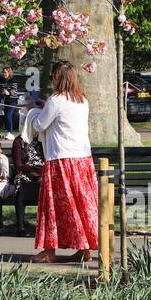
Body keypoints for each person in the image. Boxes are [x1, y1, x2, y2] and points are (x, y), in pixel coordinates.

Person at [24, 61, 96, 264]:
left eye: (53, 76)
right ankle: (84, 248)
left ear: (58, 77)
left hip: (61, 160)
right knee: (81, 205)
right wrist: (44, 107)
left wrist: (32, 112)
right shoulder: (82, 100)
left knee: (53, 206)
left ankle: (49, 251)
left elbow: (39, 124)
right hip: (82, 159)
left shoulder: (55, 100)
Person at [10, 126, 44, 237]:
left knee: (49, 182)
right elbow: (18, 165)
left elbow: (49, 159)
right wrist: (34, 170)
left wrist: (41, 173)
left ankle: (45, 227)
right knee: (20, 181)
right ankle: (20, 228)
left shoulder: (43, 140)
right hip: (25, 172)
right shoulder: (19, 141)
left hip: (42, 172)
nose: (37, 131)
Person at [0, 66, 22, 134]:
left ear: (9, 73)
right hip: (4, 101)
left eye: (5, 72)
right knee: (4, 116)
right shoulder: (1, 80)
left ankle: (10, 132)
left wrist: (9, 92)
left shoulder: (13, 80)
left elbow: (14, 90)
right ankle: (7, 131)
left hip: (12, 101)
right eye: (3, 72)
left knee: (8, 115)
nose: (4, 74)